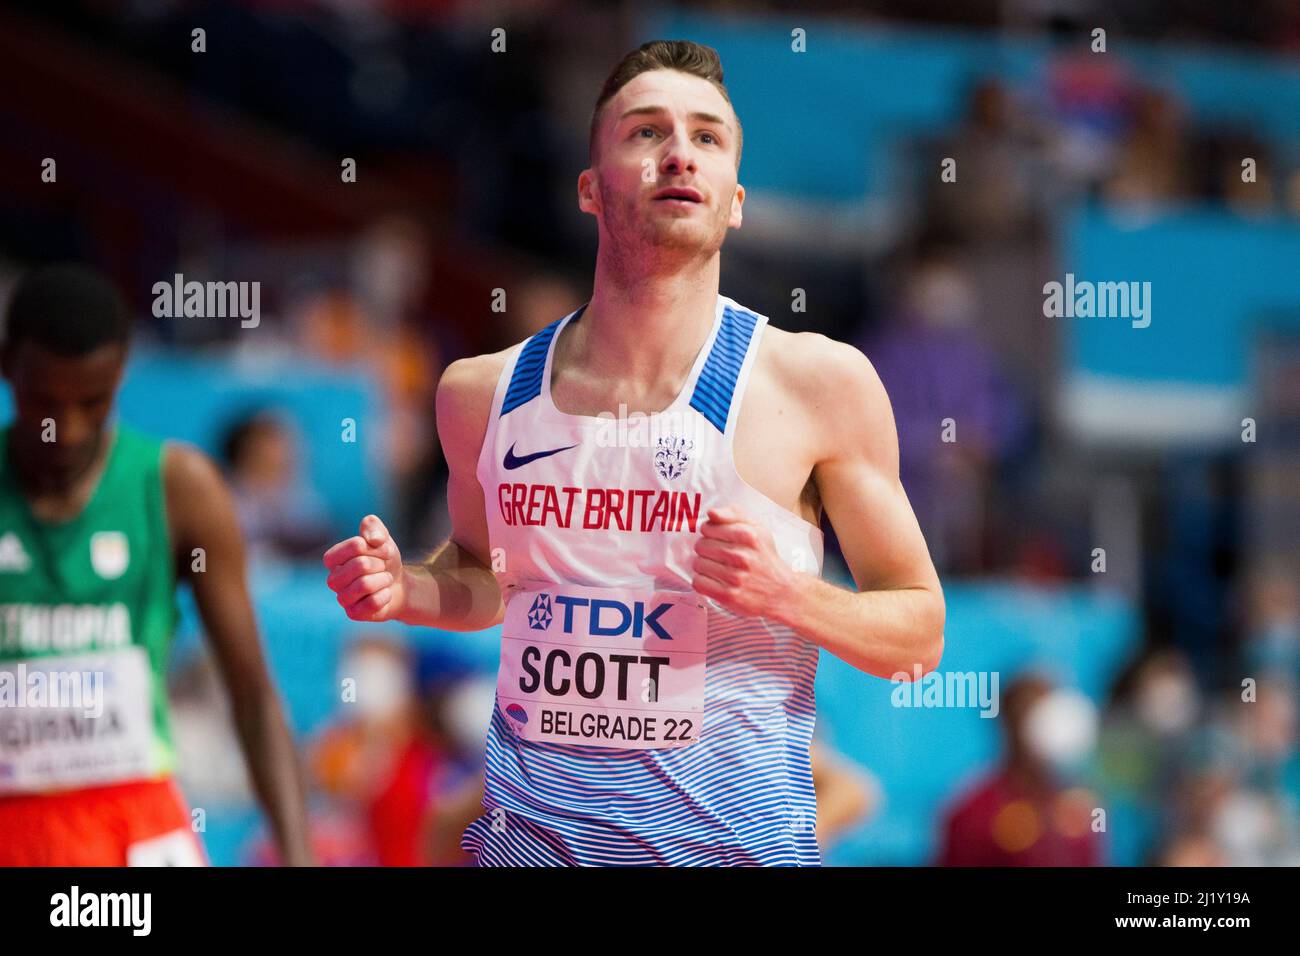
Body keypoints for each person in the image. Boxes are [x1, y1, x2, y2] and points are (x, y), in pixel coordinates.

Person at [324, 40, 944, 866]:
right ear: (590, 187)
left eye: (707, 137)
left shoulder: (817, 382)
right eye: (646, 132)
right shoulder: (481, 392)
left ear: (735, 201)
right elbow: (483, 579)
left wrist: (789, 595)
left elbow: (920, 635)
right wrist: (406, 589)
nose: (679, 152)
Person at [0, 264, 312, 866]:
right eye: (44, 402)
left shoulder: (180, 487)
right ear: (7, 364)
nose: (65, 429)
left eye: (92, 403)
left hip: (135, 817)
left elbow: (252, 694)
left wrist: (300, 859)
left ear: (122, 374)